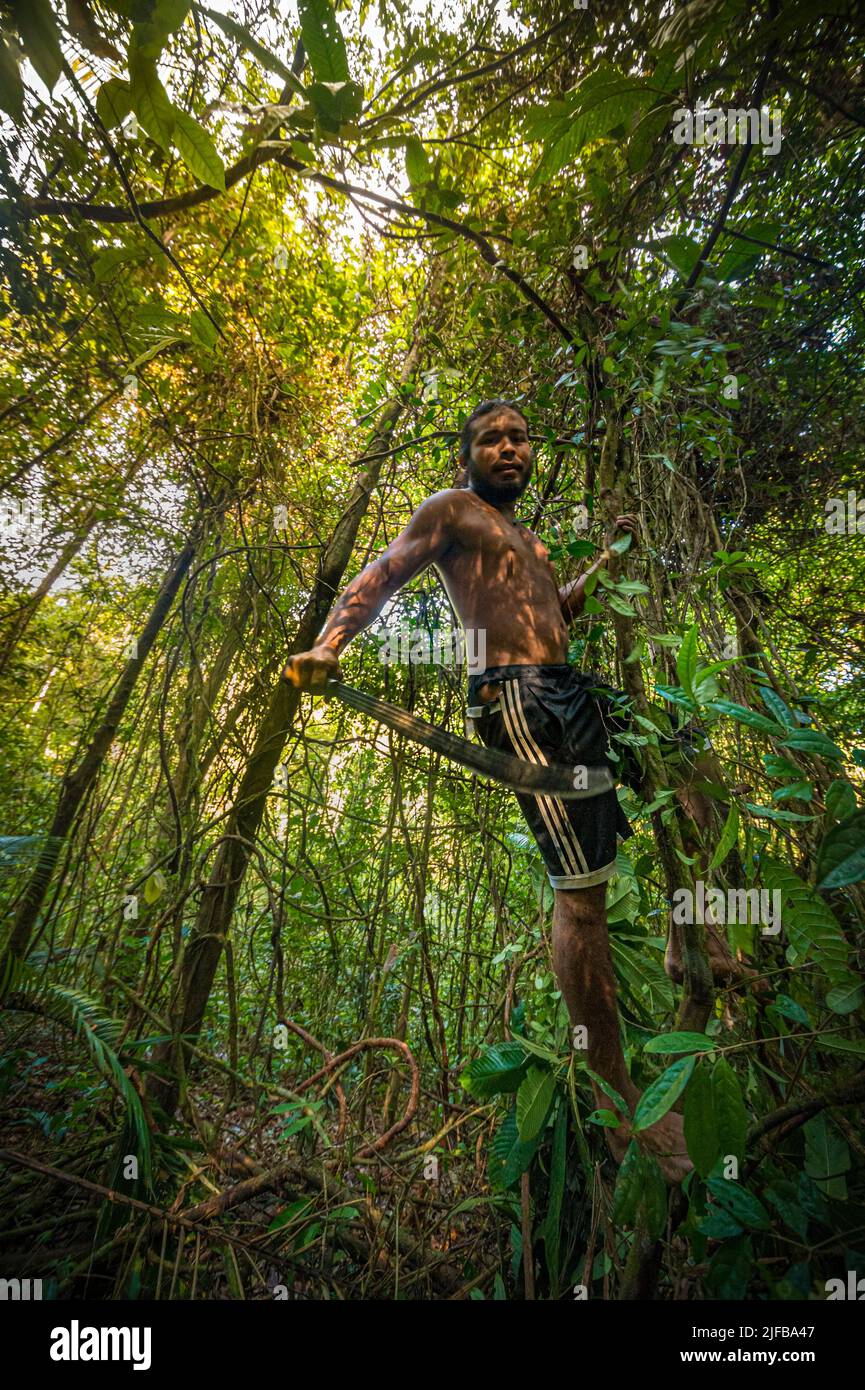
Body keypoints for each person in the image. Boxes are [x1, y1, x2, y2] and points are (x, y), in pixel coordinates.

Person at [284, 400, 697, 1179]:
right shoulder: (452, 512)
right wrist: (327, 645)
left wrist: (606, 564)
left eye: (518, 437)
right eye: (490, 439)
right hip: (518, 698)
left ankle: (688, 938)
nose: (508, 448)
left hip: (569, 682)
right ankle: (618, 1106)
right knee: (581, 896)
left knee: (683, 759)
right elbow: (385, 571)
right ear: (466, 456)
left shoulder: (528, 541)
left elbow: (555, 613)